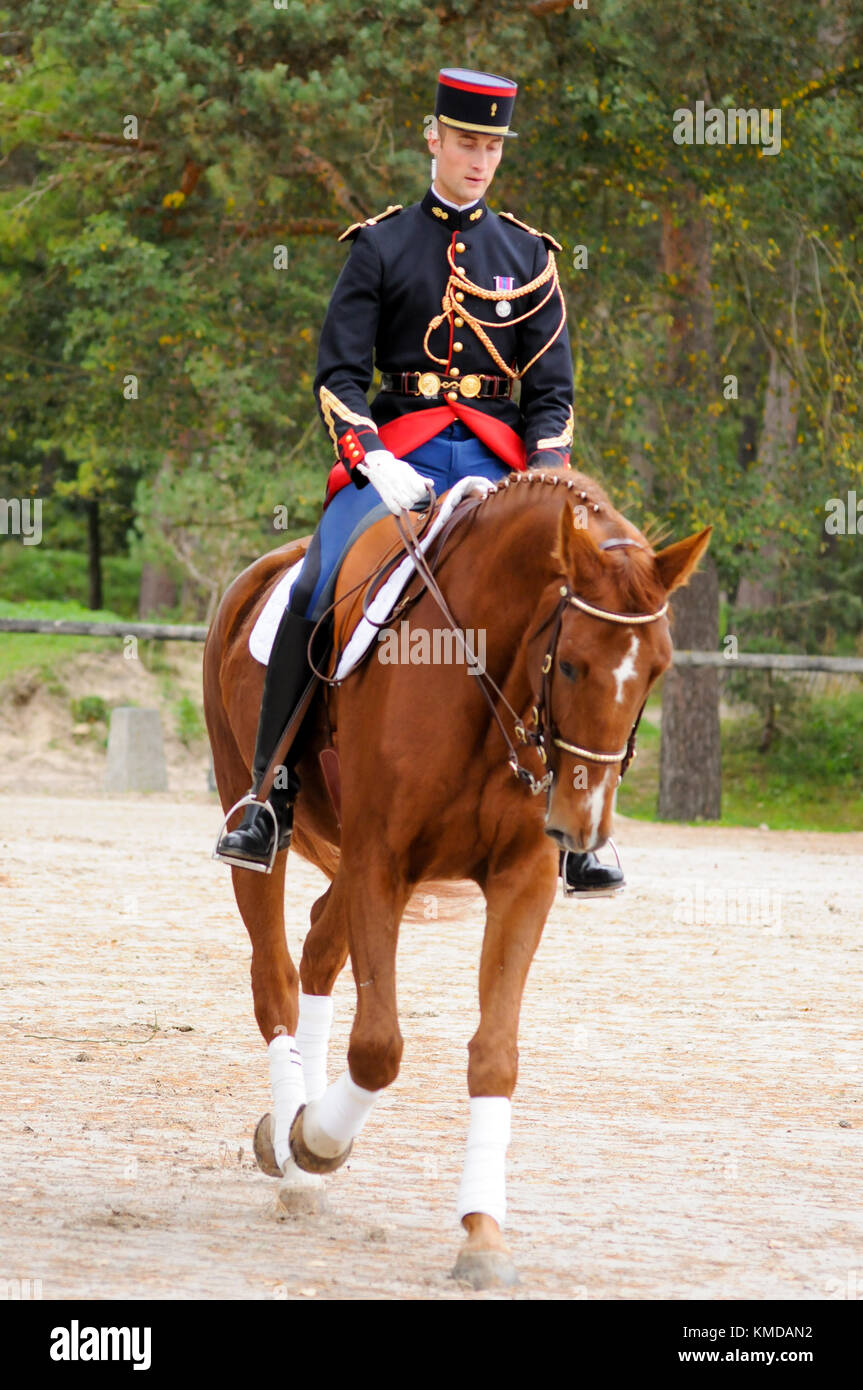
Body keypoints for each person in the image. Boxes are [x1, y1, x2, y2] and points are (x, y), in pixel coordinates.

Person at [216, 67, 624, 897]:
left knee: (588, 609)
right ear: (432, 138)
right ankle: (270, 798)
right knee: (315, 586)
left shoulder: (528, 256)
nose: (479, 160)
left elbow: (552, 393)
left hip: (498, 467)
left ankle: (583, 829)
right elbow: (337, 373)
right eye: (465, 143)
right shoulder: (380, 245)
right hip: (393, 455)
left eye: (491, 147)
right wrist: (370, 457)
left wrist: (546, 478)